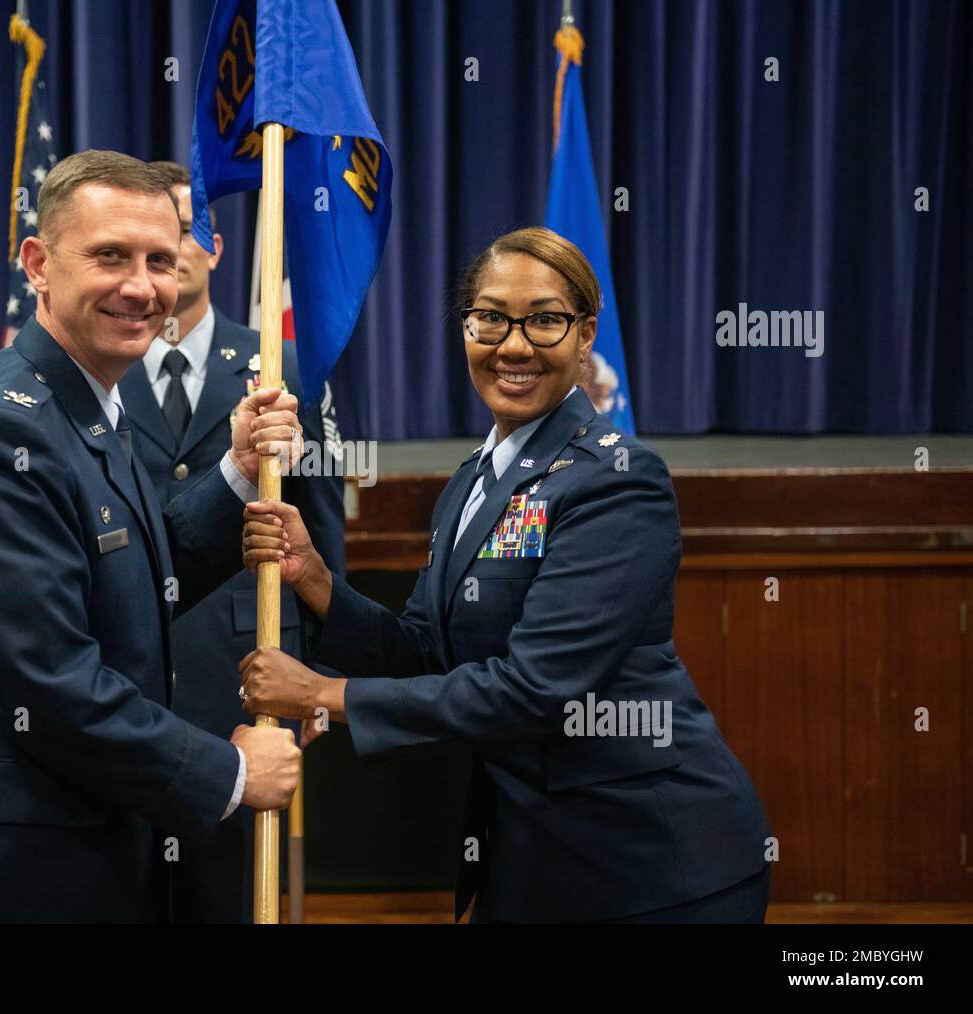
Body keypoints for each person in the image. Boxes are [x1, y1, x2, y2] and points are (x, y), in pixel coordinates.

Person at [239, 226, 772, 923]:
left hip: (650, 867)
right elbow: (427, 652)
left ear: (585, 335)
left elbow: (533, 691)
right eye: (490, 317)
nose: (513, 344)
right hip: (534, 859)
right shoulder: (473, 480)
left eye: (545, 320)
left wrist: (324, 693)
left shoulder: (617, 480)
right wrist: (313, 578)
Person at [0, 151, 303, 923]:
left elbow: (136, 576)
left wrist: (233, 474)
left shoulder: (87, 400)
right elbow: (54, 689)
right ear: (37, 264)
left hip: (85, 858)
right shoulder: (5, 434)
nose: (141, 287)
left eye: (159, 260)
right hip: (7, 883)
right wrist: (229, 772)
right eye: (109, 256)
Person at [112, 161, 344, 923]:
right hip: (125, 679)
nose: (169, 248)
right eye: (143, 238)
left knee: (230, 901)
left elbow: (318, 537)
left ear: (213, 245)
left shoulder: (278, 368)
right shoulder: (99, 369)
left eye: (183, 229)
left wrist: (316, 676)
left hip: (241, 679)